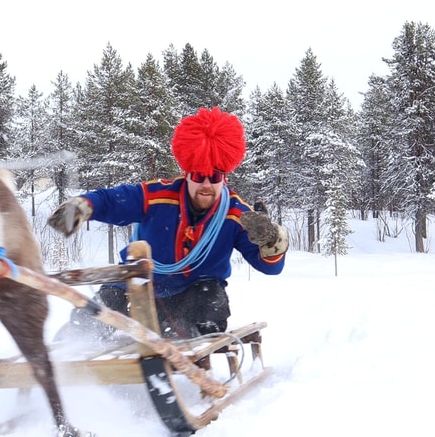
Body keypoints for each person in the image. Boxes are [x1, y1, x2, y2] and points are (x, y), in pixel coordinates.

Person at [47, 106, 288, 341]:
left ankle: (182, 359)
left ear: (224, 177)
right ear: (186, 173)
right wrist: (84, 206)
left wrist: (271, 242)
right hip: (137, 285)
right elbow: (114, 200)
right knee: (89, 321)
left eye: (214, 177)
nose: (206, 184)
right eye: (198, 175)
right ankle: (64, 355)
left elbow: (270, 268)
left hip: (194, 294)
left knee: (210, 312)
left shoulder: (237, 214)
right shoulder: (157, 196)